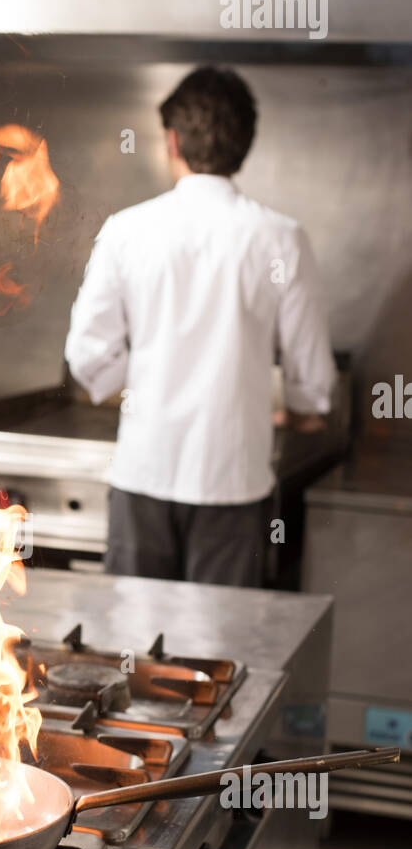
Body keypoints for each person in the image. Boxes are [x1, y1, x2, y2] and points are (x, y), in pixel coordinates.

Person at [64, 66, 336, 587]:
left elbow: (89, 358)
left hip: (144, 473)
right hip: (233, 481)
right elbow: (311, 376)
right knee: (219, 653)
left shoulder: (126, 231)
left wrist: (140, 376)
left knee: (133, 647)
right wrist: (303, 408)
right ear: (245, 145)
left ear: (172, 141)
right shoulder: (282, 238)